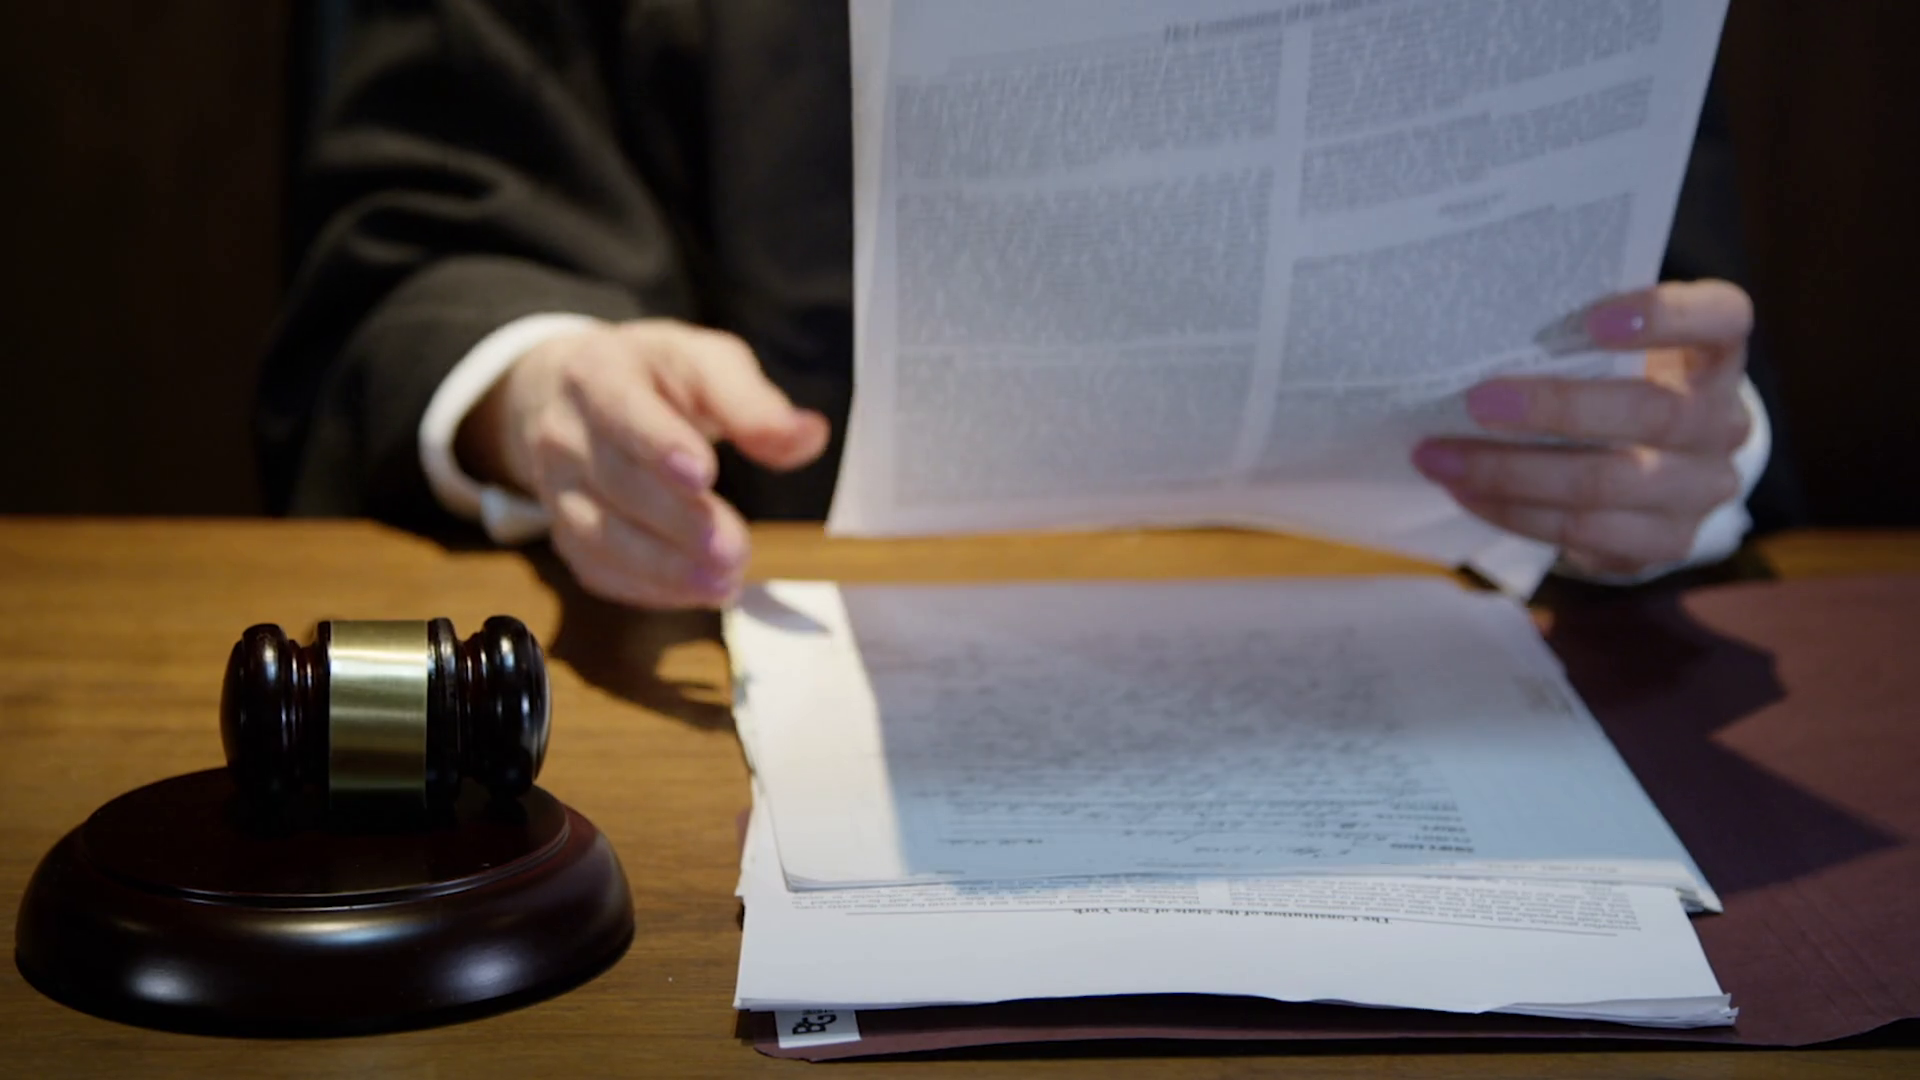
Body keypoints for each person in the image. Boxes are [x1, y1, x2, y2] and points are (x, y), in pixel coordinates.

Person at [260, 0, 1799, 610]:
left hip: (1446, 678)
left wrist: (1682, 462)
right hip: (752, 668)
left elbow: (1673, 310)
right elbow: (423, 232)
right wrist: (549, 387)